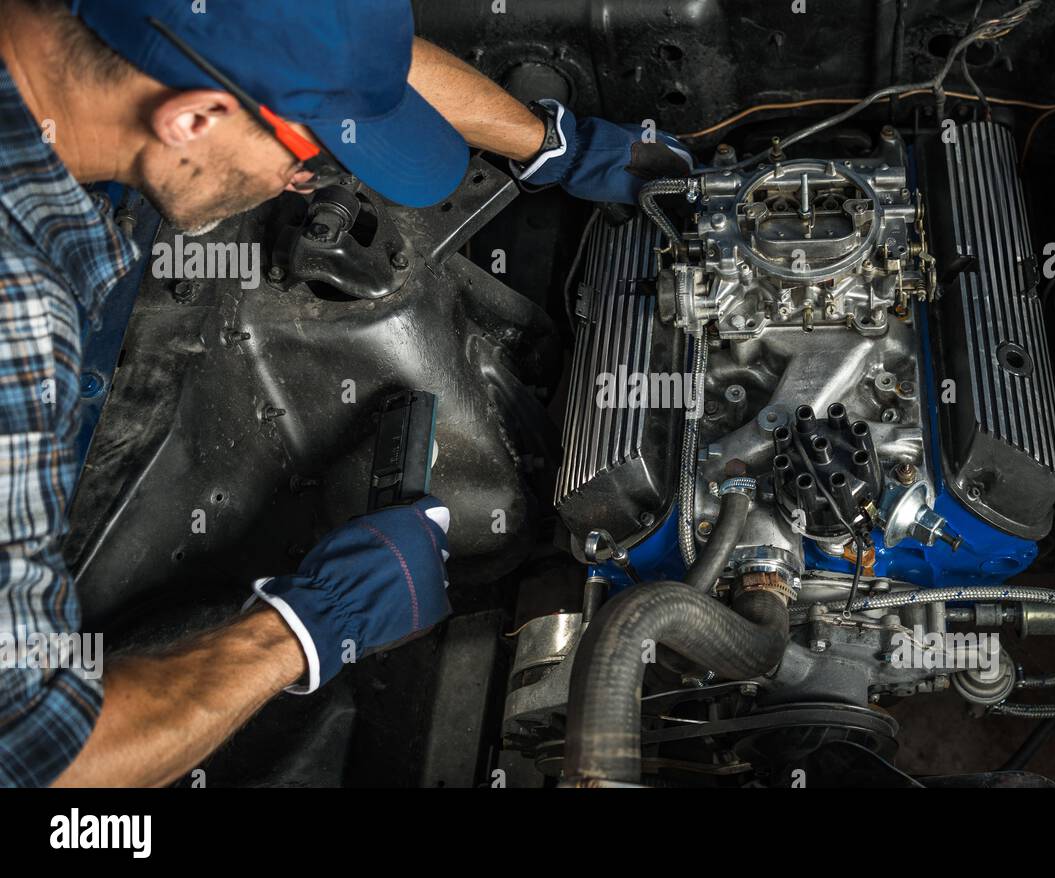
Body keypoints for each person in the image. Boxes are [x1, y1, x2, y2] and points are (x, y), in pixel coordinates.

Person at [0, 0, 690, 787]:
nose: (309, 181)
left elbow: (348, 48)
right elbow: (41, 759)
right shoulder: (17, 311)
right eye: (307, 155)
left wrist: (552, 145)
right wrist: (312, 626)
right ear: (192, 119)